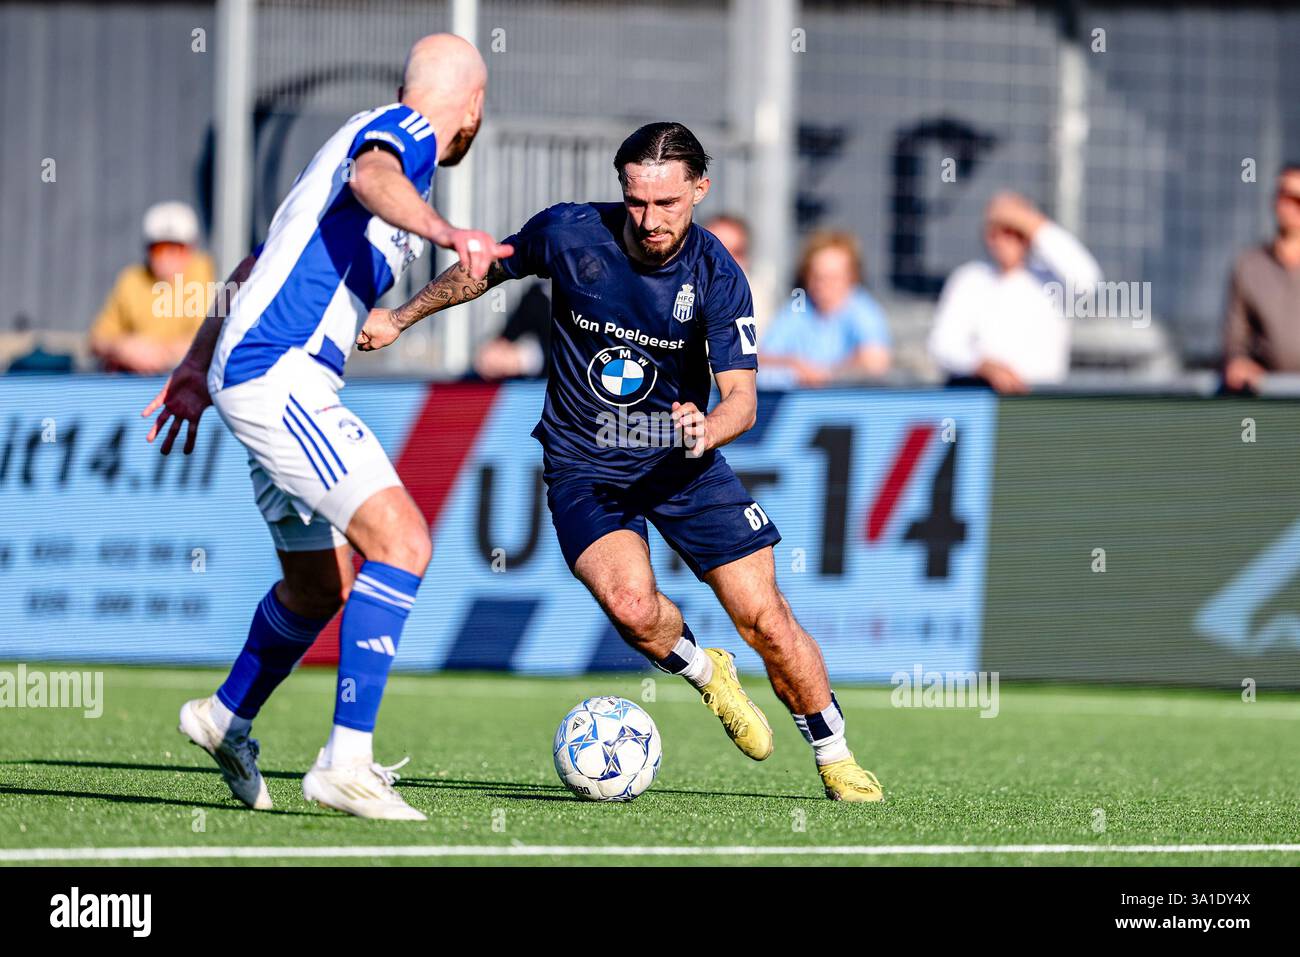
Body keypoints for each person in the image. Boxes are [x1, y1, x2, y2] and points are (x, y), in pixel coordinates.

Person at [358, 122, 884, 802]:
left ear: (700, 188)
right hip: (584, 463)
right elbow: (484, 267)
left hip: (683, 463)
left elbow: (742, 402)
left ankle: (835, 756)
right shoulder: (571, 233)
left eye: (667, 204)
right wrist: (401, 317)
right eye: (636, 201)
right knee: (633, 608)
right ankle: (706, 672)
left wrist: (707, 429)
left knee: (766, 621)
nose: (649, 219)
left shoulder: (718, 275)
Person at [141, 34, 511, 820]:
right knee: (403, 542)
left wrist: (194, 366)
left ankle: (225, 715)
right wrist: (450, 234)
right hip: (281, 375)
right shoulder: (402, 135)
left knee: (321, 588)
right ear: (471, 106)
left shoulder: (331, 162)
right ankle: (347, 762)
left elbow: (250, 269)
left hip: (252, 371)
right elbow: (375, 173)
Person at [928, 191, 1101, 393]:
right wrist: (980, 365)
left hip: (1041, 401)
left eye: (1013, 231)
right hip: (983, 398)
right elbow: (942, 344)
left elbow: (1088, 279)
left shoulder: (1052, 280)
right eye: (996, 231)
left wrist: (1028, 222)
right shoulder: (970, 279)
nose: (1003, 239)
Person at [90, 202, 216, 374]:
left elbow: (214, 338)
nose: (166, 257)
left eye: (176, 248)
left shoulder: (209, 272)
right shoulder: (131, 280)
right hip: (137, 383)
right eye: (159, 249)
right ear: (148, 250)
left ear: (191, 249)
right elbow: (97, 340)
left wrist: (159, 352)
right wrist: (121, 348)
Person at [761, 231, 891, 387]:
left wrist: (826, 374)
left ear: (852, 277)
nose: (823, 285)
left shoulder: (864, 310)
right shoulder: (799, 305)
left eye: (833, 277)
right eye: (817, 277)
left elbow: (876, 362)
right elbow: (760, 357)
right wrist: (792, 364)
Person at [1222, 163, 1300, 394]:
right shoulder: (1249, 267)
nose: (1291, 205)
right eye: (1285, 195)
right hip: (1268, 400)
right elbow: (1236, 341)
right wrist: (1238, 363)